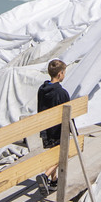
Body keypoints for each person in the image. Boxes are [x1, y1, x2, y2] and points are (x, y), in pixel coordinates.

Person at [35, 58, 69, 191]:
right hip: (58, 129)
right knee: (61, 155)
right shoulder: (61, 93)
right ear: (60, 74)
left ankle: (54, 181)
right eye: (64, 72)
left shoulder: (42, 89)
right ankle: (45, 175)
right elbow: (68, 113)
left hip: (46, 128)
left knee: (52, 154)